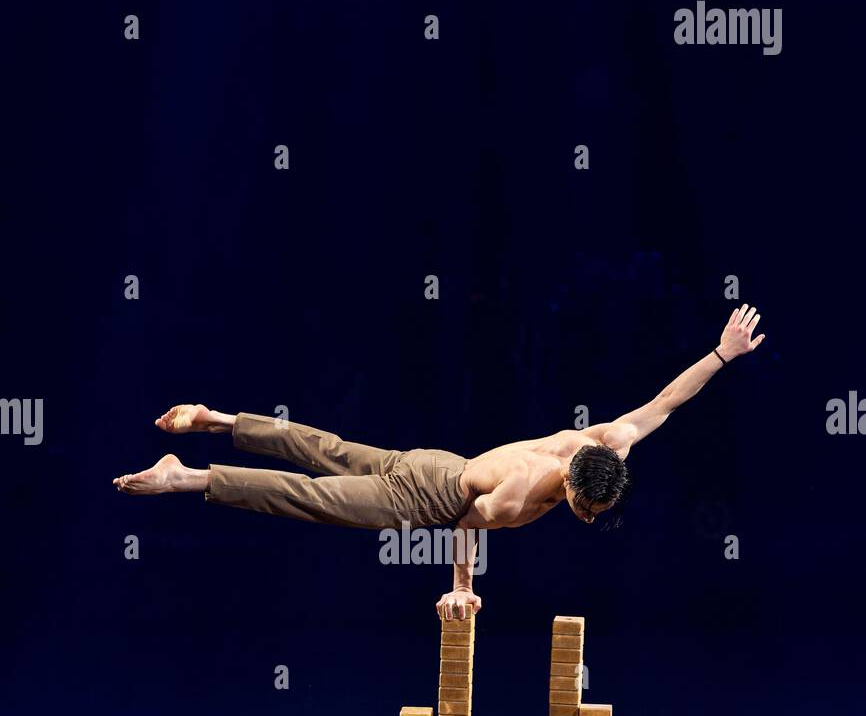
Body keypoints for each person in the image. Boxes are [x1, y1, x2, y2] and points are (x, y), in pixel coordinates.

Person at [114, 305, 764, 618]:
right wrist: (461, 589)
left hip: (435, 461)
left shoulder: (609, 440)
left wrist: (722, 353)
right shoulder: (520, 497)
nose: (583, 517)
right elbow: (464, 522)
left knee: (323, 446)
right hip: (425, 497)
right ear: (568, 481)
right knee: (312, 496)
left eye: (594, 513)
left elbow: (664, 404)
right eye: (579, 507)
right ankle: (187, 475)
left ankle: (216, 418)